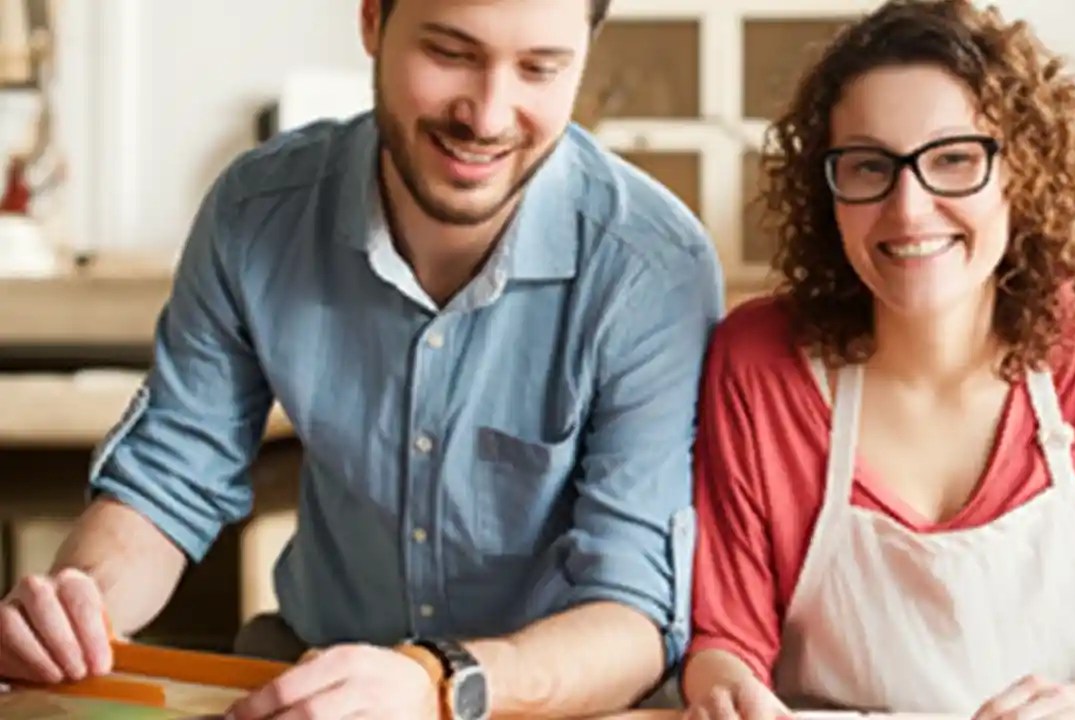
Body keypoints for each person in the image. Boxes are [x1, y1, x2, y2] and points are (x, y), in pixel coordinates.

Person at [0, 0, 723, 718]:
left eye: (540, 69)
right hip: (301, 676)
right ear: (373, 20)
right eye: (450, 54)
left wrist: (436, 682)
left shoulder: (652, 268)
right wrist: (76, 611)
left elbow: (634, 616)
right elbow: (167, 483)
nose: (489, 116)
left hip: (547, 702)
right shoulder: (257, 212)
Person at [681, 1, 1075, 718]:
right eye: (868, 166)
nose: (909, 209)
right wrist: (724, 689)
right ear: (826, 190)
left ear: (1021, 172)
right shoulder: (760, 362)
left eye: (954, 159)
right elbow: (724, 638)